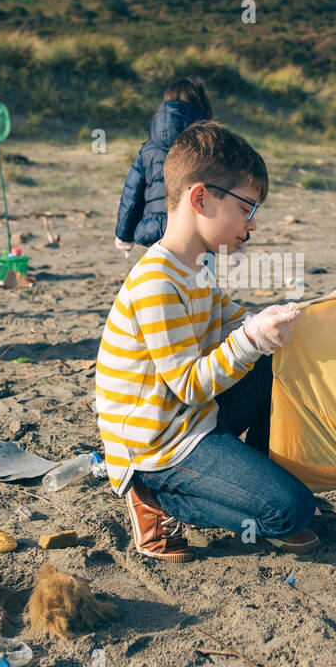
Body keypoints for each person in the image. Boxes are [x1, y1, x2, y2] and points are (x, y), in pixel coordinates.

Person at [95, 121, 318, 563]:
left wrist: (287, 321)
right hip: (157, 445)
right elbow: (190, 385)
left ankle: (254, 480)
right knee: (292, 510)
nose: (251, 226)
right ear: (200, 198)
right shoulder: (157, 281)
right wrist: (253, 337)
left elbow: (232, 324)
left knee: (275, 360)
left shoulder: (197, 268)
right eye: (247, 209)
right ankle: (154, 498)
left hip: (193, 419)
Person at [114, 78, 212, 255]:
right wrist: (240, 238)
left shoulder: (148, 149)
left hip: (154, 228)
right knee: (198, 275)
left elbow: (132, 193)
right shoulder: (208, 146)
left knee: (162, 271)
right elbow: (228, 187)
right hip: (194, 226)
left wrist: (124, 235)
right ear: (201, 105)